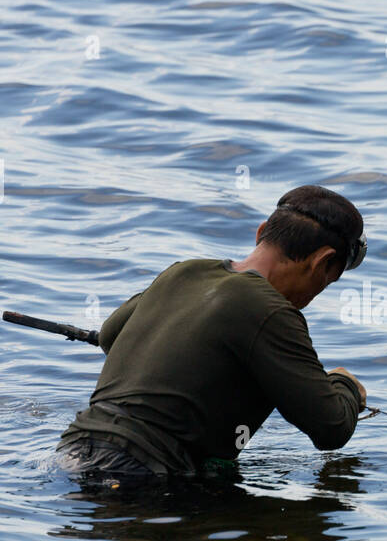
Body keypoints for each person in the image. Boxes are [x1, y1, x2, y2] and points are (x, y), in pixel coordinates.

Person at [57, 185, 368, 480]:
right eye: (327, 282)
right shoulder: (272, 311)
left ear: (261, 233)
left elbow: (111, 335)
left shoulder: (185, 270)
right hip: (143, 472)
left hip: (74, 448)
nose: (314, 296)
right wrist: (346, 386)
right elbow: (332, 427)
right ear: (322, 261)